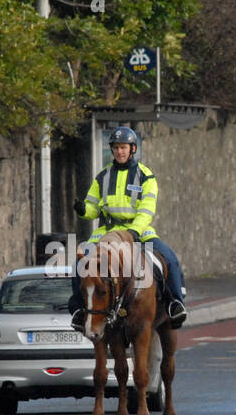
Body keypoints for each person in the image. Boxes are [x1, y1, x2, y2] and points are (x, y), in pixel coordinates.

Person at [68, 126, 188, 330]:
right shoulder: (102, 176)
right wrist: (83, 209)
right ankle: (79, 309)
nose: (119, 152)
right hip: (106, 233)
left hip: (138, 232)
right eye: (115, 148)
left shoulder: (146, 176)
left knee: (169, 258)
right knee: (80, 264)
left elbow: (147, 209)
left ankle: (175, 304)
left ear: (132, 149)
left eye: (123, 147)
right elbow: (92, 208)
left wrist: (134, 231)